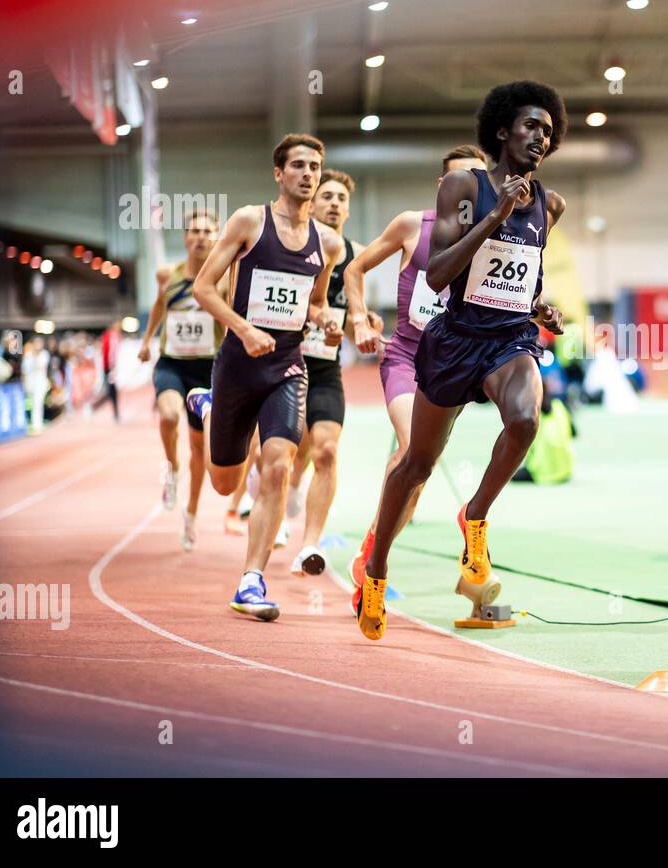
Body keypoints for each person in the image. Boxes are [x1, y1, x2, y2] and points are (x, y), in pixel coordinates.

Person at [351, 81, 566, 640]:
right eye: (530, 126)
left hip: (509, 340)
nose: (540, 137)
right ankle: (375, 569)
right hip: (454, 340)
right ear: (501, 131)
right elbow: (439, 274)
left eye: (548, 130)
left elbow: (525, 273)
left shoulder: (551, 204)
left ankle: (474, 516)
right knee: (416, 463)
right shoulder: (462, 186)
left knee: (524, 419)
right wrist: (494, 216)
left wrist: (542, 305)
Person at [184, 133, 342, 622]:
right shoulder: (250, 221)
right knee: (225, 485)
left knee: (279, 465)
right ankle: (210, 407)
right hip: (237, 363)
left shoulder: (327, 244)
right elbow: (203, 288)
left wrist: (326, 320)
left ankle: (251, 580)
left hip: (288, 368)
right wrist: (244, 328)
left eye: (314, 166)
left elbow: (312, 303)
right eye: (297, 165)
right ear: (279, 174)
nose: (308, 174)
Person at [342, 143, 490, 596]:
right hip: (406, 359)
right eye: (462, 178)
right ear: (442, 184)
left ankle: (373, 544)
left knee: (419, 473)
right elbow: (355, 268)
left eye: (481, 180)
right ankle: (372, 562)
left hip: (453, 369)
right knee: (412, 453)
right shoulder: (412, 225)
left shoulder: (493, 235)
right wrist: (359, 316)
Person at [281, 168, 360, 576]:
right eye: (327, 196)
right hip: (284, 367)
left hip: (326, 370)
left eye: (341, 198)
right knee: (287, 452)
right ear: (312, 203)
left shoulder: (358, 256)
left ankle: (309, 544)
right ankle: (285, 492)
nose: (334, 203)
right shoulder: (292, 247)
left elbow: (355, 316)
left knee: (326, 449)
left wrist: (362, 325)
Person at [138, 210, 226, 551]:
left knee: (200, 449)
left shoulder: (222, 279)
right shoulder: (166, 274)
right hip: (172, 363)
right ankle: (171, 470)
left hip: (208, 370)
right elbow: (159, 306)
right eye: (195, 230)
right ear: (186, 237)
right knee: (170, 414)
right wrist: (147, 340)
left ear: (217, 237)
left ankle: (190, 514)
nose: (202, 236)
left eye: (208, 231)